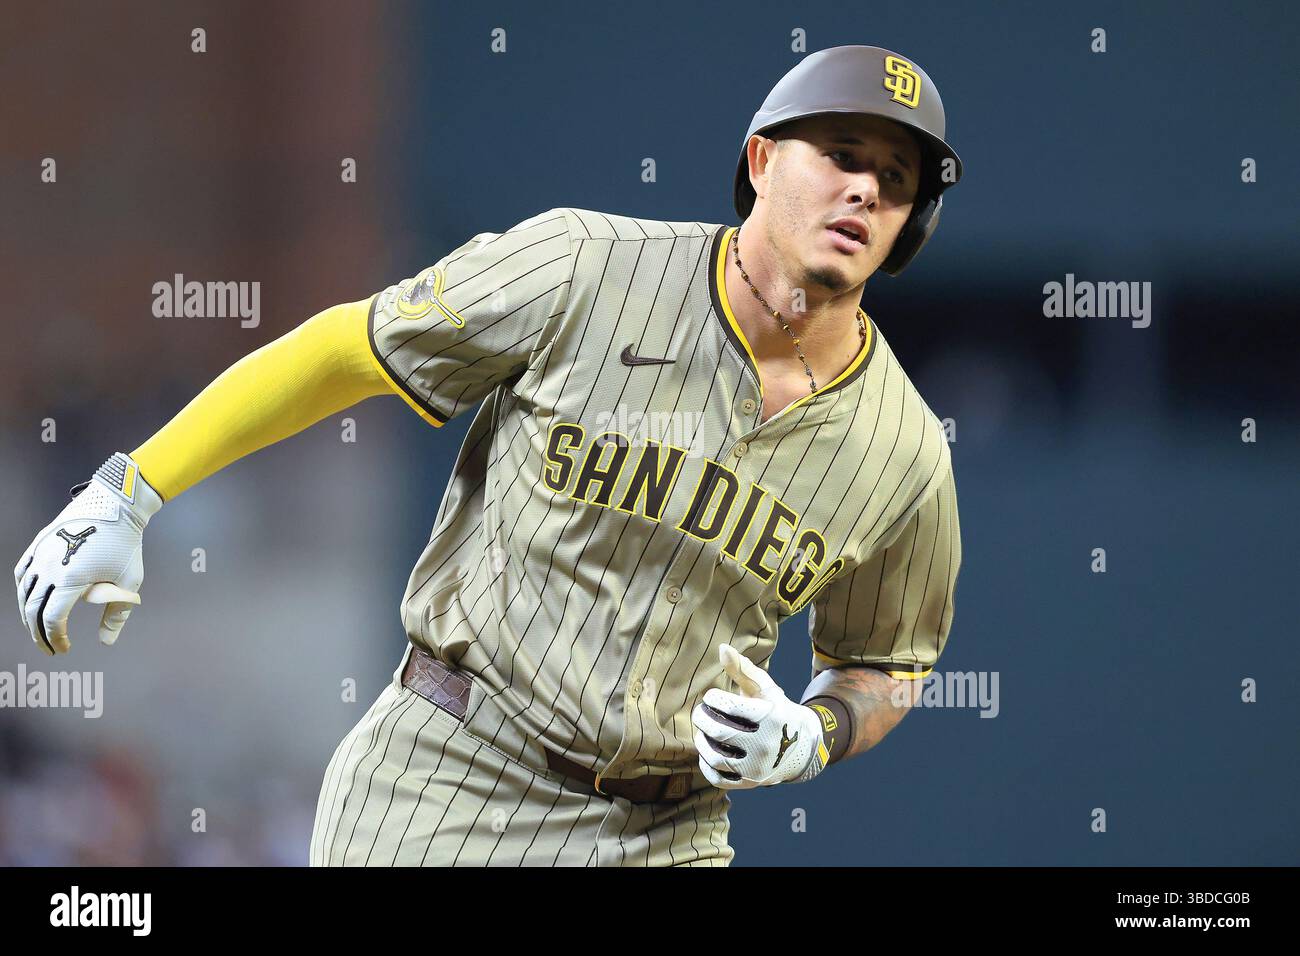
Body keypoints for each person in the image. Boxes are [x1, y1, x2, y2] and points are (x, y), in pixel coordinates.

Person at [14, 45, 963, 866]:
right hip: (448, 777)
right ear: (759, 160)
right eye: (841, 154)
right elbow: (351, 348)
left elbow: (886, 662)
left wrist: (815, 734)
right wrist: (132, 488)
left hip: (665, 831)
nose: (866, 190)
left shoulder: (906, 449)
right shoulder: (585, 267)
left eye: (896, 178)